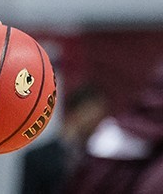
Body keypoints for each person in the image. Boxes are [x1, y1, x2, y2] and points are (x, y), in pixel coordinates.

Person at [65, 60, 163, 194]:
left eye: (95, 108)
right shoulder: (111, 145)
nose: (92, 115)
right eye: (86, 110)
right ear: (73, 114)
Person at [19, 84, 107, 194]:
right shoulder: (37, 157)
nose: (96, 124)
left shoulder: (96, 160)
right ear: (74, 112)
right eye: (91, 116)